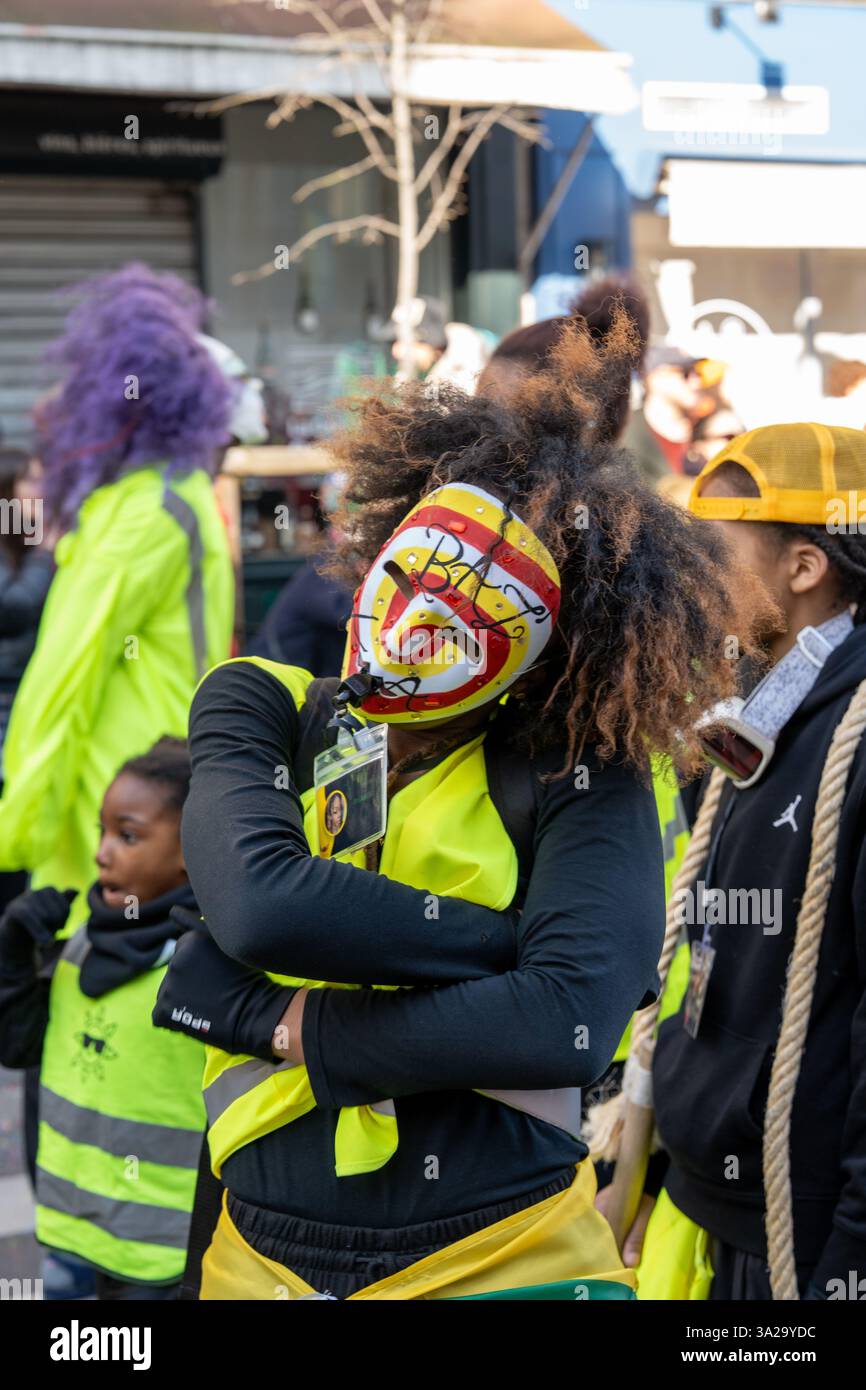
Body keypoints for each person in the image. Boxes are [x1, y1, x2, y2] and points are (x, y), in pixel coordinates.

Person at [154, 311, 759, 1301]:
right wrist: (508, 947)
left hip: (501, 1264)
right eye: (410, 586)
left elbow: (566, 1023)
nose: (415, 631)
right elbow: (262, 905)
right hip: (252, 1260)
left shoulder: (581, 765)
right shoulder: (258, 700)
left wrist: (277, 1017)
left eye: (461, 621)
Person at [635, 423, 866, 1300]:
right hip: (712, 1211)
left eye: (713, 550)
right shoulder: (753, 710)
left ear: (803, 568)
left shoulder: (857, 736)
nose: (688, 575)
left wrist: (851, 1258)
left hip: (806, 1245)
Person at [0, 264, 235, 924]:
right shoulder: (163, 497)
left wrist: (15, 829)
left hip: (112, 798)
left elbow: (62, 679)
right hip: (140, 793)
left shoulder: (147, 512)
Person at [0, 739, 207, 1299]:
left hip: (169, 1251)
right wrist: (13, 962)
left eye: (129, 835)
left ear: (192, 844)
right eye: (103, 832)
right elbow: (20, 1049)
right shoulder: (82, 940)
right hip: (75, 1228)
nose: (101, 853)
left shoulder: (211, 961)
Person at [0, 449, 54, 912]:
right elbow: (13, 609)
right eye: (31, 482)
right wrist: (47, 553)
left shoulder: (20, 548)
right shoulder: (20, 553)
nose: (41, 492)